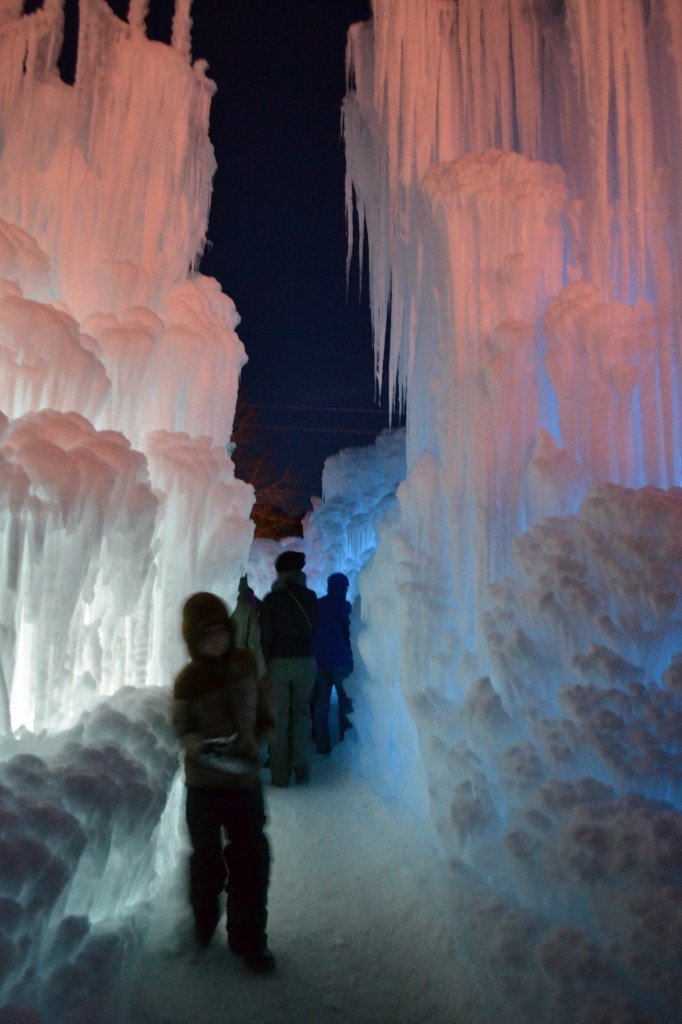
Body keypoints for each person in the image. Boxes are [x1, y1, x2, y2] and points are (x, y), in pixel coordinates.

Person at [172, 591, 275, 973]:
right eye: (206, 634)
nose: (216, 639)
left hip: (244, 781)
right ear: (193, 639)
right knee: (207, 864)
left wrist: (263, 731)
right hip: (204, 786)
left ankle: (250, 940)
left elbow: (263, 702)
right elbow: (182, 726)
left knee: (252, 862)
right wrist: (196, 744)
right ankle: (204, 922)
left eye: (220, 630)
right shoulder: (188, 681)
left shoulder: (246, 662)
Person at [260, 550, 318, 787]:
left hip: (279, 664)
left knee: (279, 720)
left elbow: (266, 637)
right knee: (301, 715)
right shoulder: (311, 597)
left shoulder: (271, 600)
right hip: (306, 662)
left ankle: (280, 775)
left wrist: (264, 668)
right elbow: (315, 631)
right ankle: (302, 768)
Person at [313, 573, 354, 755]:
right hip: (341, 661)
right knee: (345, 704)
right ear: (343, 588)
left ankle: (322, 745)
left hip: (320, 661)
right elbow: (349, 633)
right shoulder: (345, 607)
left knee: (321, 705)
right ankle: (346, 742)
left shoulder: (318, 605)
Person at [230, 575, 266, 679]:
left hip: (227, 658)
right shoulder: (248, 607)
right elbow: (253, 643)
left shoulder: (227, 603)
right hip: (243, 659)